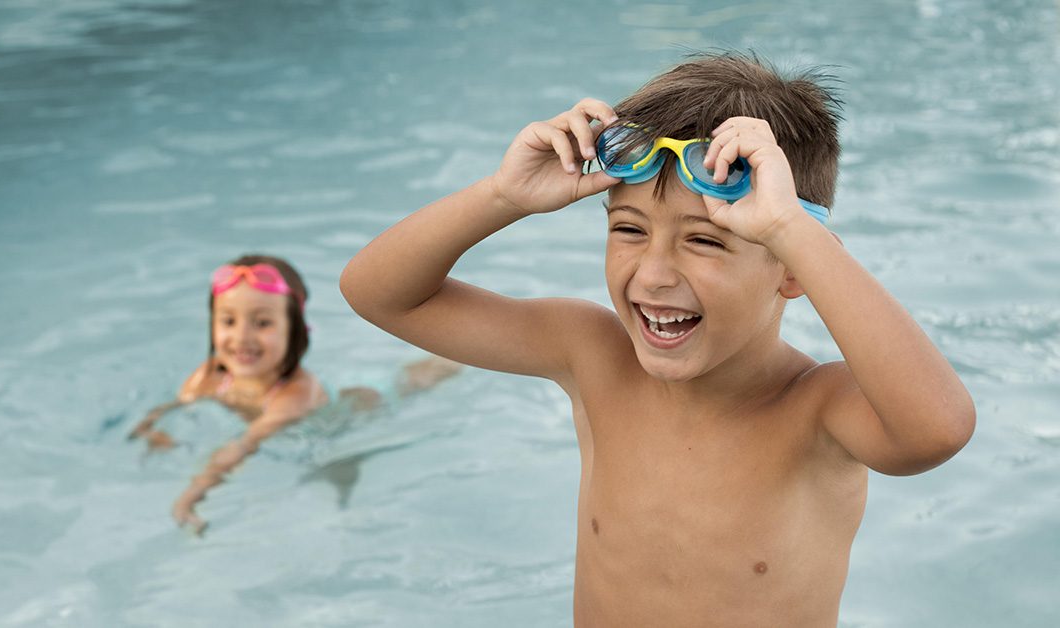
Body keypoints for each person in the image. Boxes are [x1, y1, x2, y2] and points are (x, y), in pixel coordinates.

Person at [340, 52, 975, 626]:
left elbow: (936, 429)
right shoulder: (591, 354)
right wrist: (503, 196)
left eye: (704, 240)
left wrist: (790, 227)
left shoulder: (818, 409)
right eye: (629, 229)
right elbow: (379, 293)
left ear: (792, 270)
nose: (654, 274)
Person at [129, 254, 459, 534]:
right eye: (228, 321)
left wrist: (192, 495)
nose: (242, 337)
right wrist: (154, 431)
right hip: (329, 396)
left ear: (295, 330)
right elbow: (175, 406)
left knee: (419, 377)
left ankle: (457, 352)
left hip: (362, 402)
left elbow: (244, 445)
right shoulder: (212, 374)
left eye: (262, 323)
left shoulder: (294, 395)